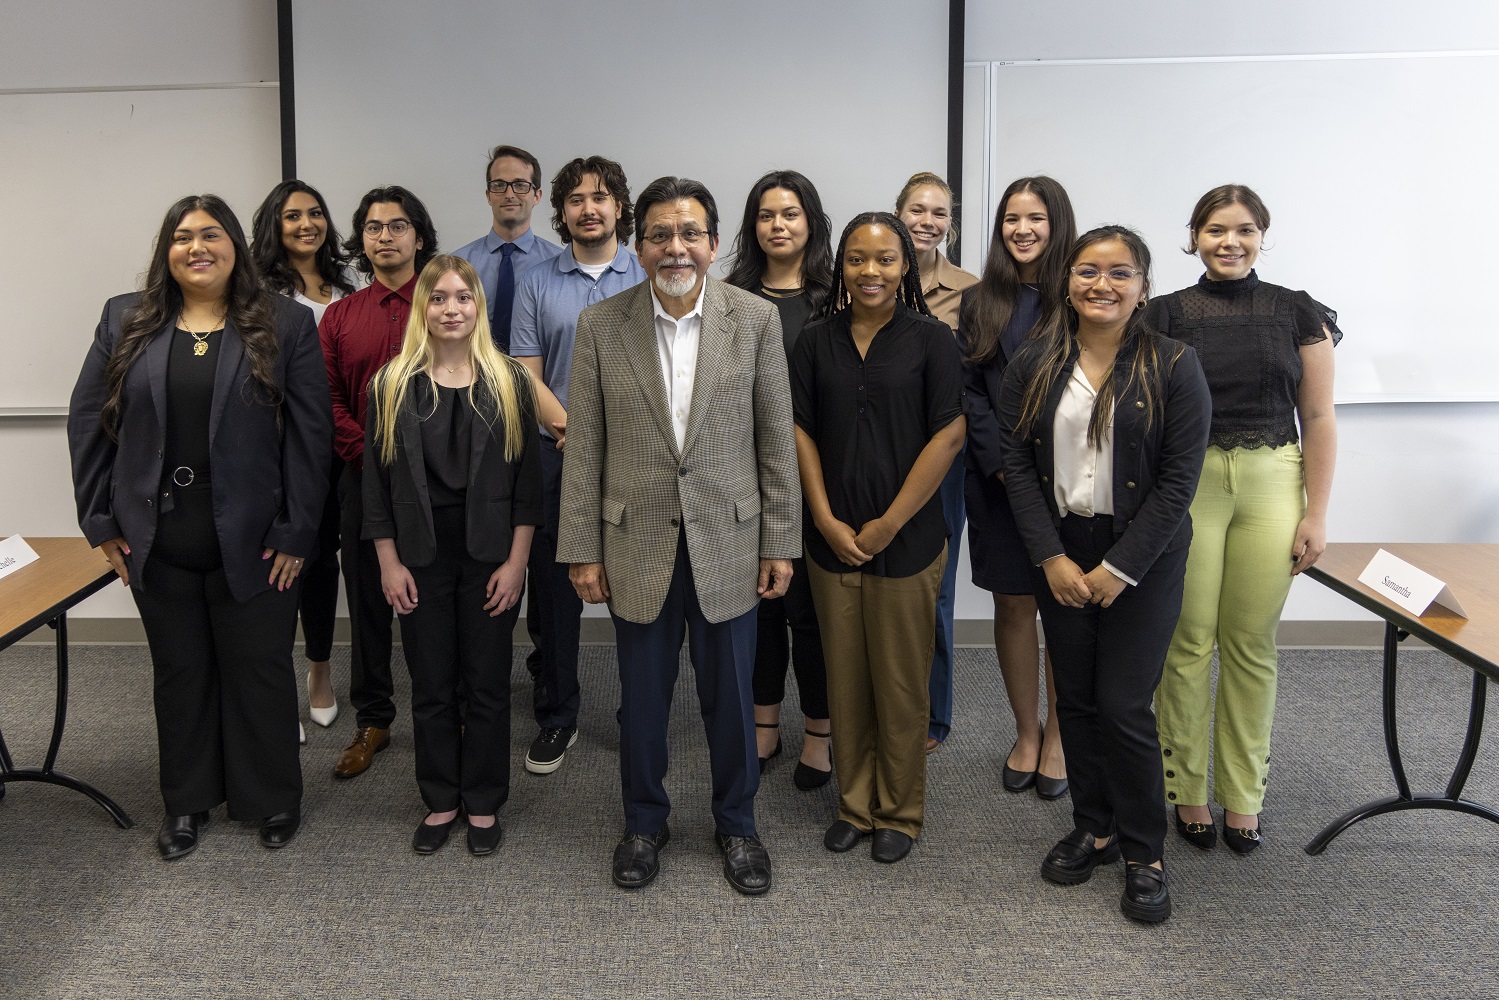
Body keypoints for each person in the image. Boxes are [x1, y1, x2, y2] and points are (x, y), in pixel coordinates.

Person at [68, 194, 332, 858]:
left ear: (235, 245)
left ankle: (271, 798)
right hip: (156, 538)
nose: (197, 247)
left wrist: (298, 531)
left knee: (260, 669)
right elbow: (89, 421)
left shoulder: (286, 322)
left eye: (211, 234)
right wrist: (99, 520)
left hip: (258, 538)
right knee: (180, 673)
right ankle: (186, 803)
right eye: (182, 237)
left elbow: (310, 436)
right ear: (167, 251)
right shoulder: (125, 318)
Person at [558, 176, 800, 896]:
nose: (675, 248)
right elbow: (586, 444)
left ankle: (737, 825)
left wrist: (779, 540)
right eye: (660, 235)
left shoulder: (754, 321)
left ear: (715, 244)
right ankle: (642, 822)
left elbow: (773, 440)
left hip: (729, 541)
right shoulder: (601, 325)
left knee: (731, 700)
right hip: (635, 545)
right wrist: (582, 548)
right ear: (639, 247)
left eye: (690, 234)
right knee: (643, 698)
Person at [998, 226, 1211, 923]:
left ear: (1142, 287)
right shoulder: (1034, 362)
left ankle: (1143, 851)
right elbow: (1017, 468)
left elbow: (1179, 481)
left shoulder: (1174, 365)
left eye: (1119, 273)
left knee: (1122, 705)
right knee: (1079, 703)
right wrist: (1050, 558)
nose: (1102, 285)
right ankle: (1093, 826)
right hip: (1061, 550)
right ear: (1067, 283)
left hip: (1140, 554)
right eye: (1088, 271)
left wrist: (1121, 567)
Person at [1148, 185, 1339, 854]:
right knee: (1188, 640)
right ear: (1193, 235)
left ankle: (1244, 798)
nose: (1229, 241)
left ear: (1262, 235)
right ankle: (1188, 790)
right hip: (1189, 484)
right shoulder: (1163, 314)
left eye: (1243, 229)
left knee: (1251, 642)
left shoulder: (1295, 311)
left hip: (1271, 484)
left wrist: (1316, 512)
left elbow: (1317, 417)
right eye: (1214, 229)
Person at [793, 212, 966, 864]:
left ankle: (898, 811)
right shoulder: (814, 341)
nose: (871, 272)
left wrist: (889, 522)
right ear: (841, 264)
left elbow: (948, 434)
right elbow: (799, 430)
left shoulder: (932, 340)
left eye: (885, 259)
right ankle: (853, 804)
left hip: (909, 537)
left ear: (905, 266)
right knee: (845, 679)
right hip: (830, 539)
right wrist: (825, 519)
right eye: (858, 259)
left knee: (897, 683)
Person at [363, 255, 542, 856]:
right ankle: (442, 799)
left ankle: (485, 801)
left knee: (487, 684)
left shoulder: (511, 381)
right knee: (433, 684)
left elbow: (528, 486)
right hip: (418, 556)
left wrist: (518, 563)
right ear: (423, 309)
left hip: (492, 554)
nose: (450, 309)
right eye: (438, 298)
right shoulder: (390, 385)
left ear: (478, 307)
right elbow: (376, 486)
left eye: (462, 297)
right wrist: (388, 563)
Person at [510, 155, 645, 776]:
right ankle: (556, 716)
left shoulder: (646, 274)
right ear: (560, 211)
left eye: (602, 197)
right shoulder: (537, 281)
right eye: (576, 199)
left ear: (621, 206)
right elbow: (524, 372)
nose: (589, 208)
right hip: (554, 452)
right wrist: (576, 431)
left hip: (637, 457)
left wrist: (606, 438)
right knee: (556, 597)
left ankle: (637, 716)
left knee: (635, 591)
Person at [959, 176, 1077, 799]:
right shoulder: (982, 301)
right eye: (1010, 218)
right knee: (1013, 607)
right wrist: (1002, 463)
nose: (1022, 230)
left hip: (1070, 486)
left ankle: (1059, 735)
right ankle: (1025, 732)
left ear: (1057, 223)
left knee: (1062, 610)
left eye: (1035, 218)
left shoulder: (1083, 294)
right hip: (1000, 481)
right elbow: (971, 392)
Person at [320, 186, 439, 779]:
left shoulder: (447, 303)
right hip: (362, 479)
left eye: (397, 226)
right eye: (373, 228)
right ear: (361, 240)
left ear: (419, 235)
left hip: (439, 485)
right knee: (368, 601)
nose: (385, 237)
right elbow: (326, 400)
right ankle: (373, 719)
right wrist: (368, 452)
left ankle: (441, 712)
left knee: (432, 601)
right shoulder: (342, 316)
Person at [725, 170, 835, 789]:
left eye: (790, 214)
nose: (778, 225)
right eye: (766, 215)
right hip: (743, 481)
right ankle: (764, 723)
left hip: (816, 480)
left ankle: (819, 732)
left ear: (810, 223)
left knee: (812, 617)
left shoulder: (835, 298)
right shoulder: (730, 298)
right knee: (759, 610)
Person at [251, 179, 362, 736]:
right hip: (287, 450)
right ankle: (280, 689)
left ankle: (320, 671)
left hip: (347, 445)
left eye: (315, 213)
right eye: (292, 216)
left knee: (326, 566)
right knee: (288, 563)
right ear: (274, 224)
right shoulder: (255, 292)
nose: (306, 225)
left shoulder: (350, 282)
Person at [895, 172, 979, 753]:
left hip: (943, 458)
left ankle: (930, 715)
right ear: (897, 211)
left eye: (939, 213)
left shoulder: (971, 293)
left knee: (935, 587)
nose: (927, 220)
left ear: (950, 223)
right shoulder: (863, 277)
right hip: (877, 455)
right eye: (917, 209)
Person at [454, 144, 564, 354]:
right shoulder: (459, 264)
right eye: (499, 185)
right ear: (488, 195)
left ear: (537, 195)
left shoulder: (559, 265)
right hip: (472, 380)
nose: (509, 194)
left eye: (520, 185)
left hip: (539, 380)